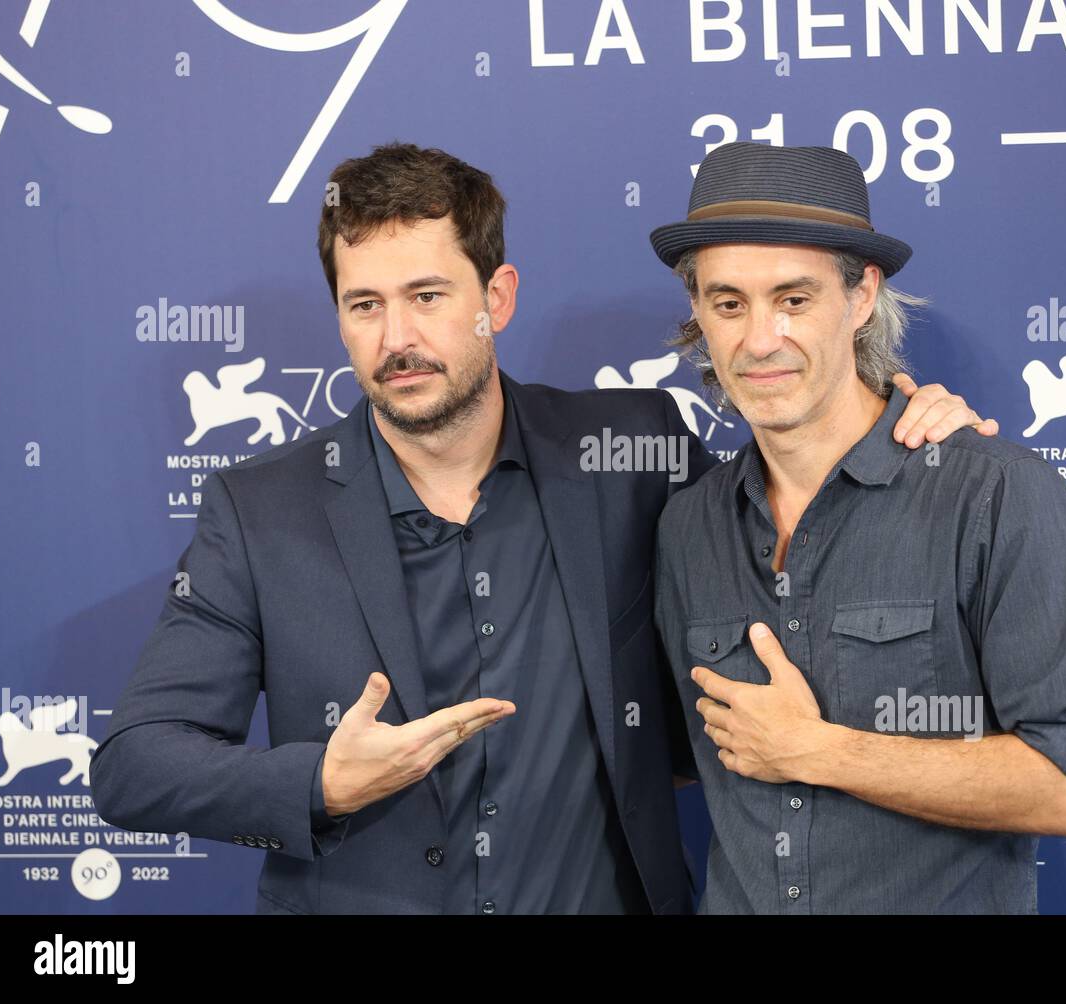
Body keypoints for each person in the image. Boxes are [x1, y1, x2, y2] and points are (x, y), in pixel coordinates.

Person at [90, 143, 995, 914]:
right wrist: (318, 785)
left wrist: (904, 423)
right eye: (364, 305)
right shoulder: (261, 510)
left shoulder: (630, 450)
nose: (396, 337)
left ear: (499, 296)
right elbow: (134, 765)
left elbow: (797, 495)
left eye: (429, 295)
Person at [650, 141, 1066, 914]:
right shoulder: (688, 525)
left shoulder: (996, 495)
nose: (758, 339)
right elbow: (676, 756)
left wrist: (822, 752)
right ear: (698, 316)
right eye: (728, 303)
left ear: (859, 298)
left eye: (794, 299)